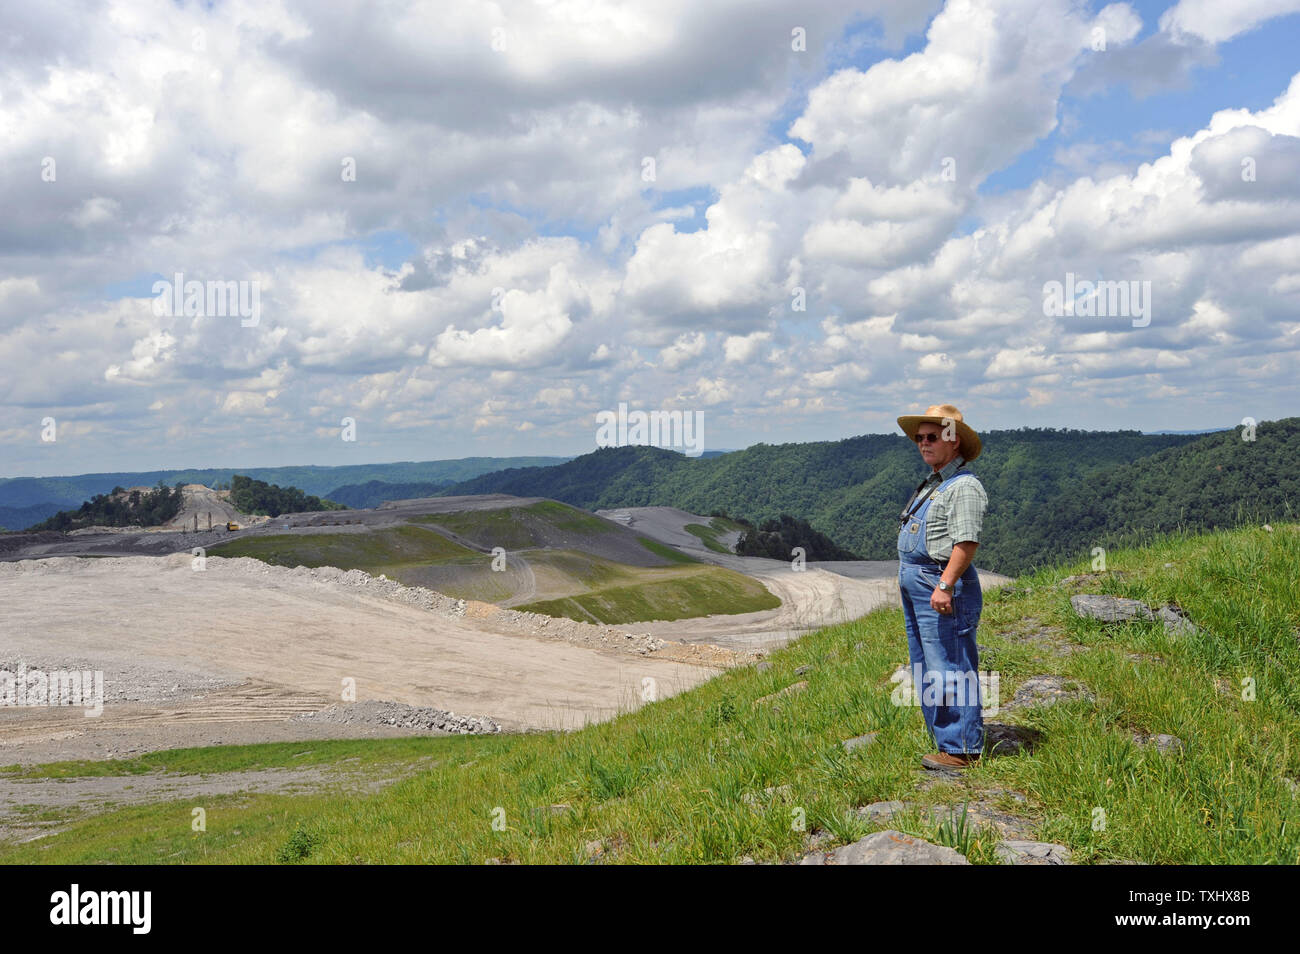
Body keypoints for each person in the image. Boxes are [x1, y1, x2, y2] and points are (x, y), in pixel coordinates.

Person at [895, 403, 988, 771]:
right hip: (919, 583)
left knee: (950, 663)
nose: (923, 443)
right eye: (919, 438)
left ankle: (962, 749)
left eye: (932, 437)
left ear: (954, 441)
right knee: (926, 664)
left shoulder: (963, 486)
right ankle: (945, 739)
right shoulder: (936, 482)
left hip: (938, 583)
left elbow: (966, 543)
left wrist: (946, 585)